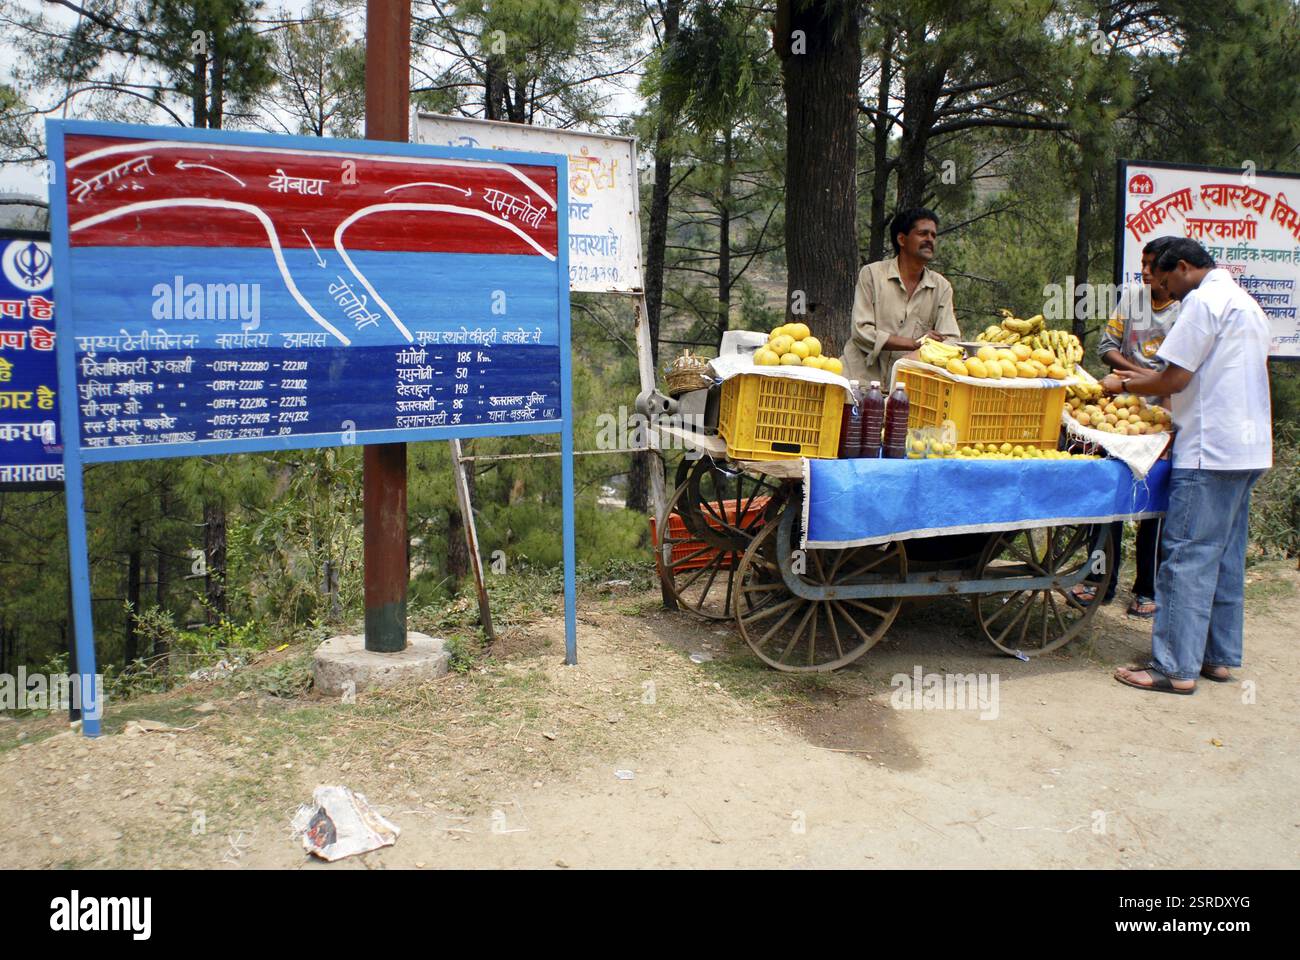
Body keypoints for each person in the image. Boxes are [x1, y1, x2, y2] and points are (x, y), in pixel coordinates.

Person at [1100, 238, 1272, 695]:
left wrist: (1123, 382)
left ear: (1181, 268)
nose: (1164, 290)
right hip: (1249, 448)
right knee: (1225, 554)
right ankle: (1216, 656)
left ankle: (1173, 667)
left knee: (1186, 555)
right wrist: (1141, 380)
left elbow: (1175, 378)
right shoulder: (1245, 303)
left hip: (1210, 449)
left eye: (1164, 279)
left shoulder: (1202, 302)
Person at [1074, 235, 1179, 618]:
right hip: (1117, 411)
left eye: (1153, 266)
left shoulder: (1183, 309)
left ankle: (1146, 589)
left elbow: (1174, 374)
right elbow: (1106, 344)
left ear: (1170, 271)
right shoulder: (1132, 298)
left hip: (1161, 416)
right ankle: (1100, 580)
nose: (1146, 272)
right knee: (1110, 496)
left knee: (1153, 506)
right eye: (1143, 264)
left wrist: (1138, 376)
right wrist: (1140, 375)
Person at [844, 207, 960, 387]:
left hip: (907, 388)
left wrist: (918, 357)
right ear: (902, 239)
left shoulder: (941, 287)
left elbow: (951, 341)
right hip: (859, 382)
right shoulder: (872, 275)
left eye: (933, 235)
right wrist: (915, 343)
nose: (930, 239)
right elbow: (861, 332)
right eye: (923, 233)